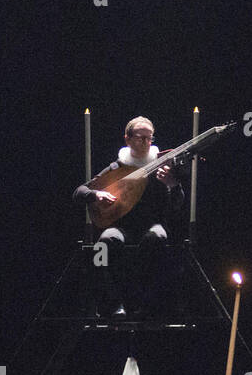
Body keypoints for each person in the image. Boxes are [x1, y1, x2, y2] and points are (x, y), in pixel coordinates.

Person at [74, 116, 188, 317]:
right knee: (104, 243)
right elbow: (79, 192)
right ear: (127, 139)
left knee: (157, 237)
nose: (145, 143)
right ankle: (111, 304)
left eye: (149, 138)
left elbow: (177, 206)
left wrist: (173, 185)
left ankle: (144, 303)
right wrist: (96, 194)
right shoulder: (118, 168)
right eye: (140, 137)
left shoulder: (160, 167)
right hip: (121, 227)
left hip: (152, 225)